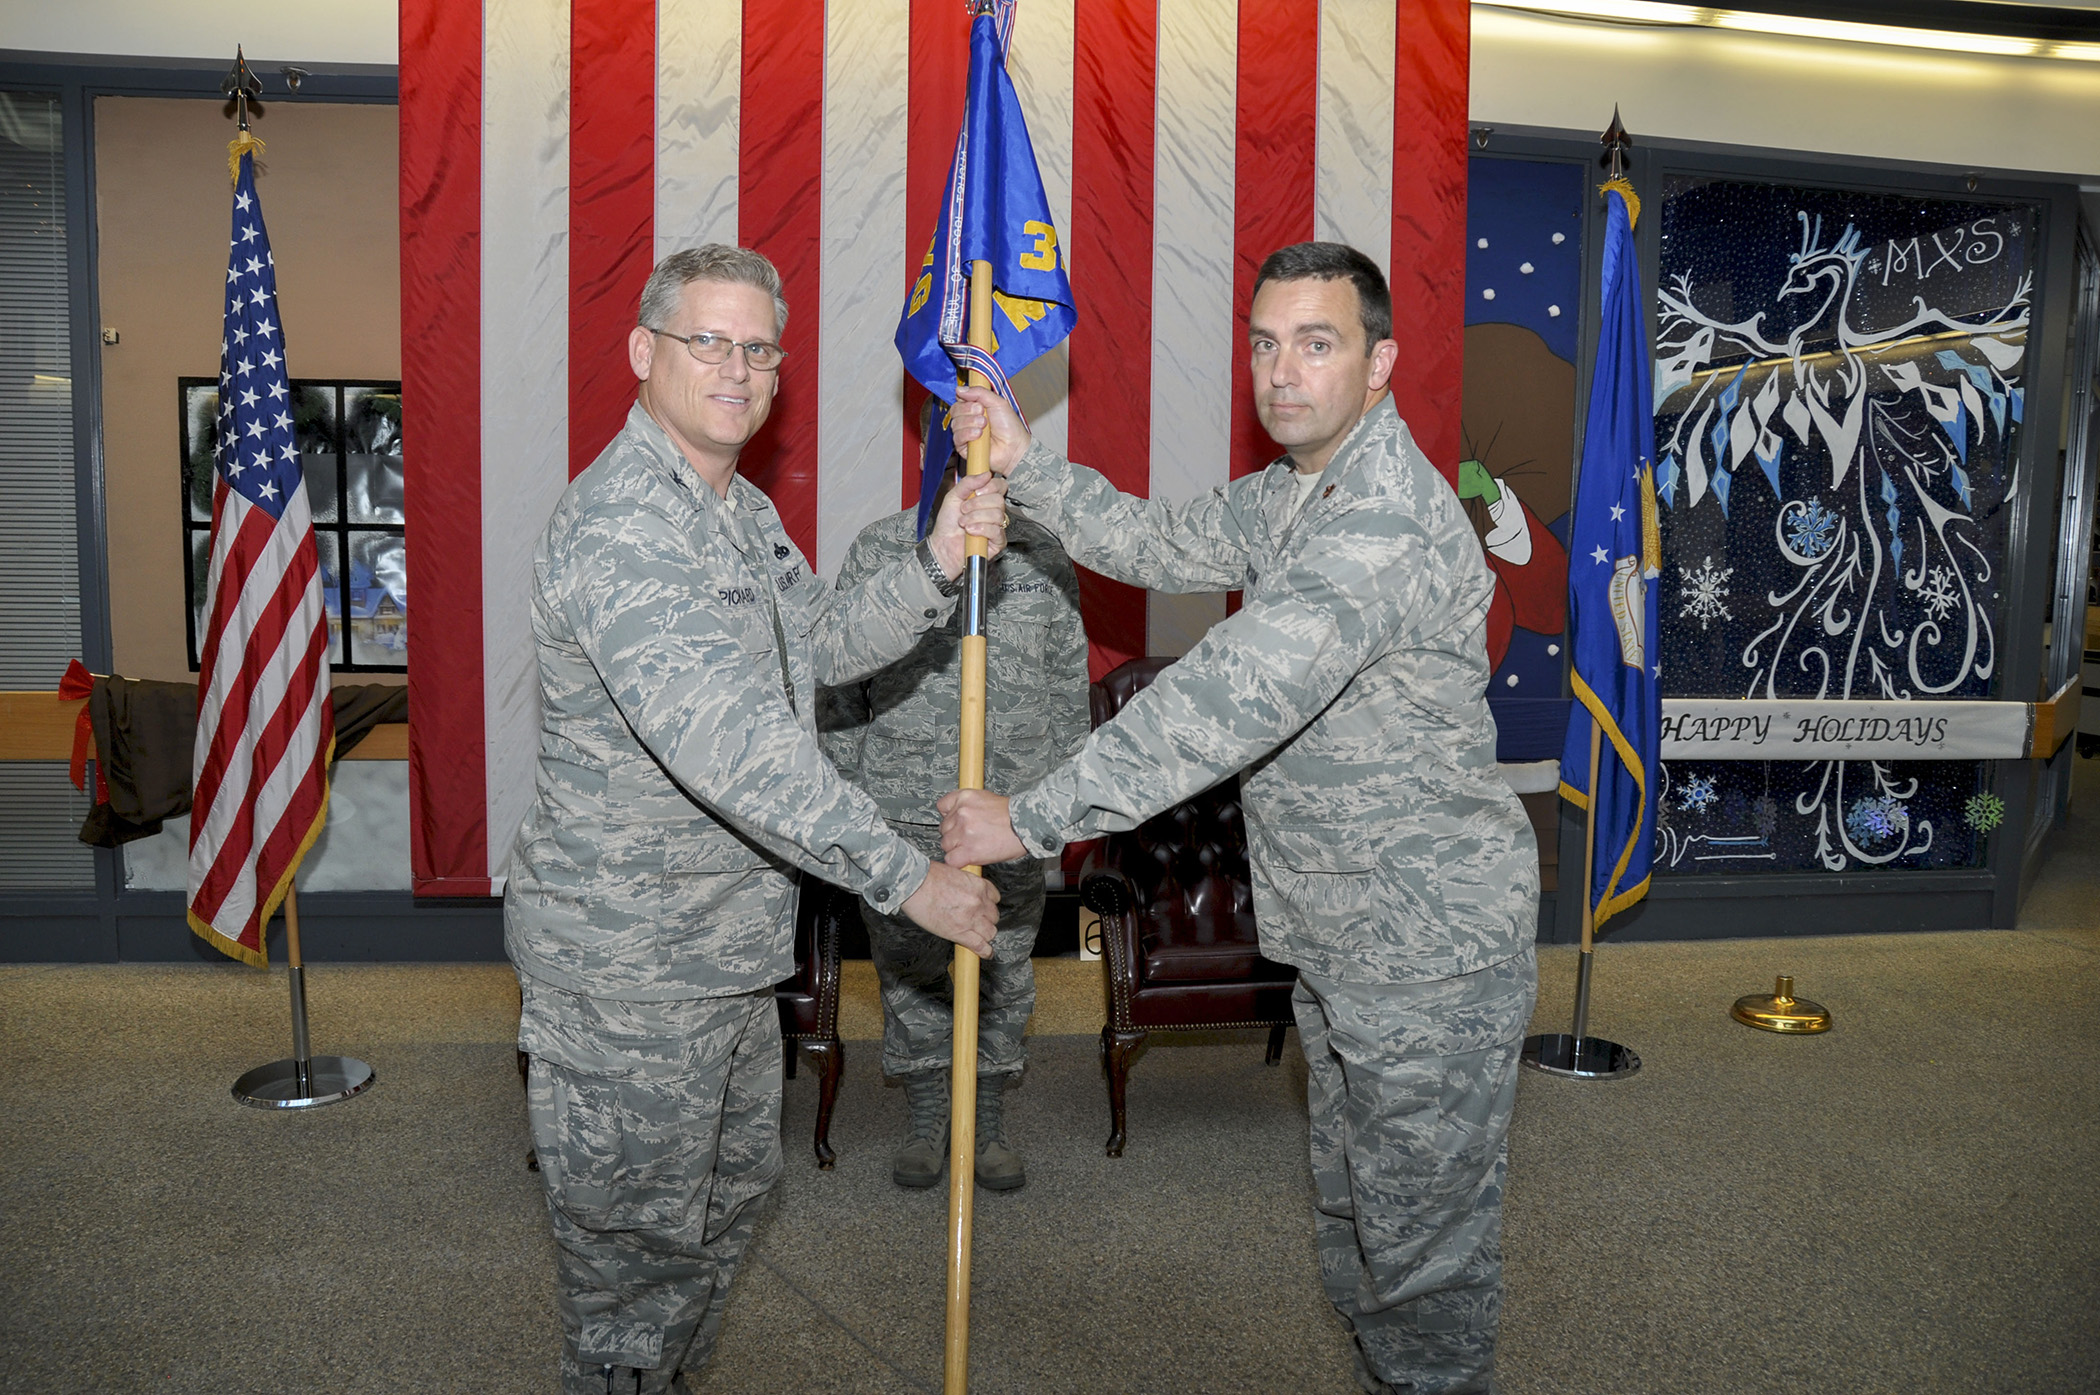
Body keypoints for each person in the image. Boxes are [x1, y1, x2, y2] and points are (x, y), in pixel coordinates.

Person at [939, 242, 1539, 1395]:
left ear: (1380, 366)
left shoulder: (1386, 521)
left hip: (1428, 946)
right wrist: (1029, 466)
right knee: (1356, 1214)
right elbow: (1160, 543)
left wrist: (1036, 815)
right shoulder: (1296, 495)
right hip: (1343, 934)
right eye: (1266, 343)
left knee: (1422, 1254)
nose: (1282, 372)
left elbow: (1227, 699)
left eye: (1318, 343)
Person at [505, 244, 1007, 1395]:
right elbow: (732, 748)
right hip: (629, 974)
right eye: (709, 342)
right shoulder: (624, 525)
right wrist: (904, 878)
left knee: (724, 1215)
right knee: (634, 1272)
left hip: (724, 958)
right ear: (644, 354)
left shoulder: (737, 514)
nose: (737, 369)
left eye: (759, 348)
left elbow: (819, 644)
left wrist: (933, 563)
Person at [818, 422, 1090, 1192]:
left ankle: (990, 1118)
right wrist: (844, 807)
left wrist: (1062, 805)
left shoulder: (1043, 555)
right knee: (908, 971)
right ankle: (930, 1114)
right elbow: (839, 688)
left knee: (1004, 962)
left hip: (1013, 810)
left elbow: (1069, 685)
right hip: (903, 808)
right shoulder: (881, 549)